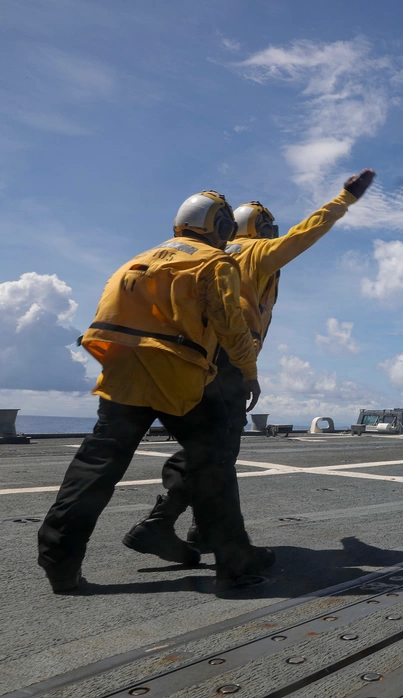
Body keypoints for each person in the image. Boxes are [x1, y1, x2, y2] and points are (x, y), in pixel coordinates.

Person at [122, 169, 376, 564]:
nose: (275, 231)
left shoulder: (223, 253)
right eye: (270, 225)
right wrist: (343, 200)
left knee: (214, 445)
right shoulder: (256, 252)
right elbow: (305, 233)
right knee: (215, 447)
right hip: (227, 363)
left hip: (201, 356)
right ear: (259, 228)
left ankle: (202, 530)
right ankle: (160, 524)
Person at [37, 191, 268, 594]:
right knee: (212, 461)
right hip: (177, 371)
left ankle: (60, 560)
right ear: (221, 227)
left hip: (123, 370)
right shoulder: (216, 261)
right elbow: (230, 324)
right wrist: (248, 372)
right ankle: (234, 563)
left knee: (98, 463)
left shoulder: (136, 260)